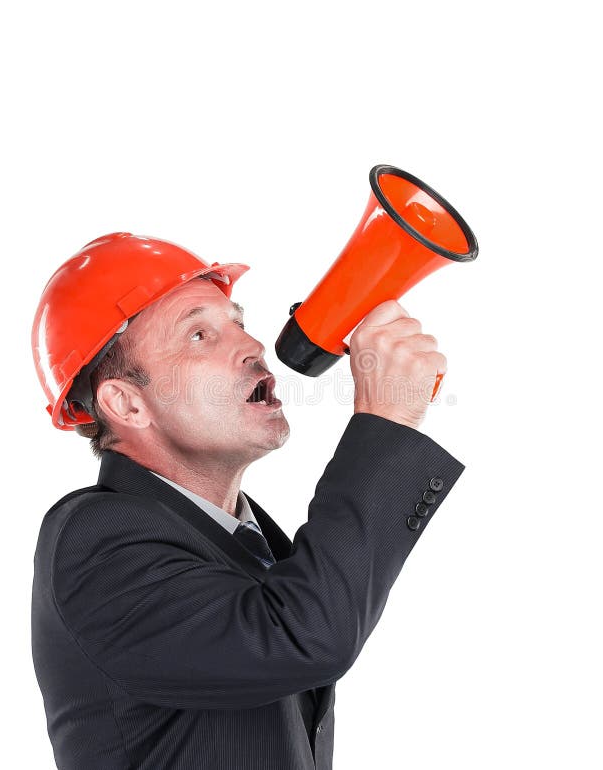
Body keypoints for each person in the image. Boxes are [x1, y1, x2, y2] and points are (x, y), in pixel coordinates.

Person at [31, 232, 466, 770]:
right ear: (125, 401)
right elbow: (302, 636)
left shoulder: (250, 540)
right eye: (198, 334)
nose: (253, 345)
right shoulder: (95, 538)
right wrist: (386, 422)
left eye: (237, 322)